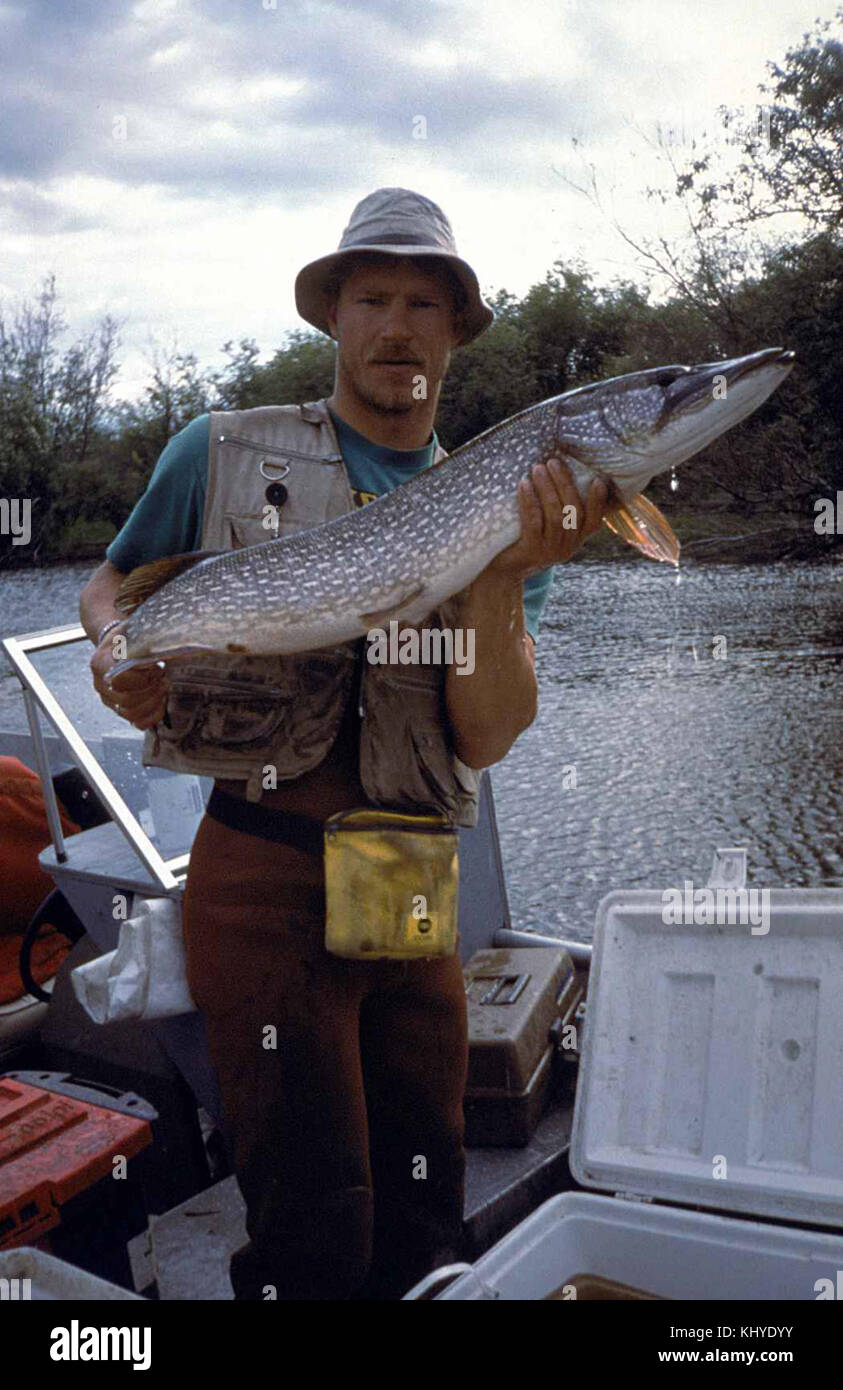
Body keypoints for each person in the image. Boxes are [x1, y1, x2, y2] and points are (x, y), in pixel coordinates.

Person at [79, 187, 608, 1300]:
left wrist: (505, 577)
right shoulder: (217, 450)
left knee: (426, 1197)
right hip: (259, 867)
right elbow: (112, 588)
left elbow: (488, 732)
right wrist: (116, 653)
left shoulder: (512, 499)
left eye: (427, 302)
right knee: (310, 1211)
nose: (399, 324)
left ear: (457, 333)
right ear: (335, 317)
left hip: (410, 883)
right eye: (374, 295)